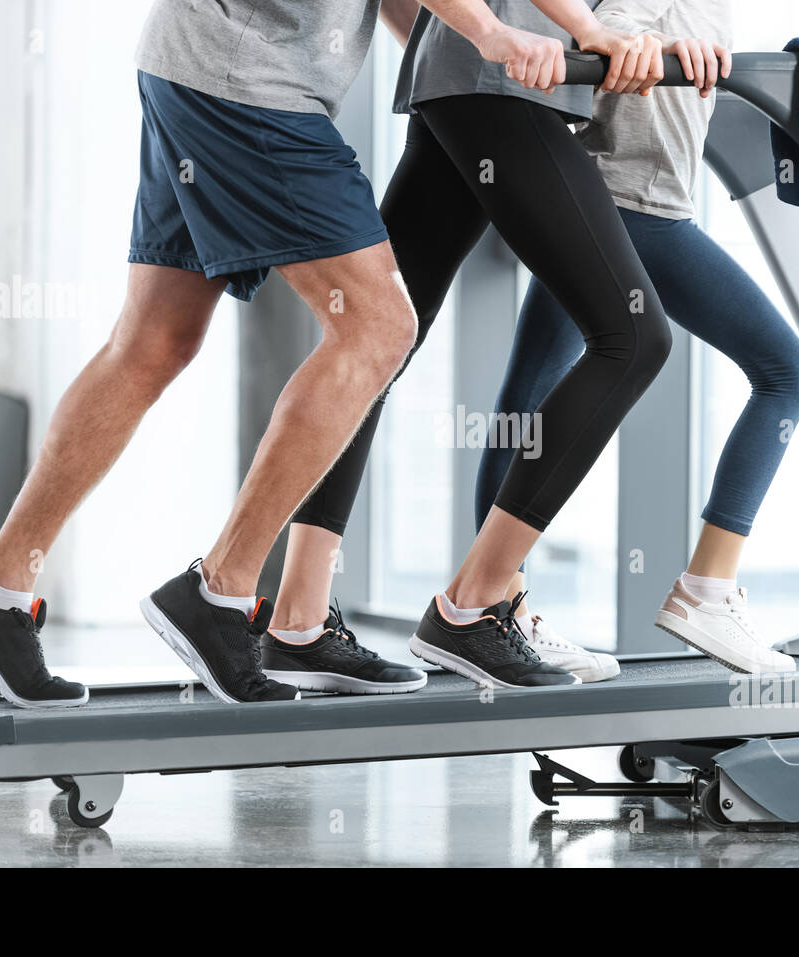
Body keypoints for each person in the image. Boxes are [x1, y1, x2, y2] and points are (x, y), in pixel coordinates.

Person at [0, 0, 596, 707]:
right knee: (378, 327)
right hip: (248, 80)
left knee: (153, 341)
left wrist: (456, 71)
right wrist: (491, 33)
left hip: (194, 63)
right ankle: (222, 590)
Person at [264, 0, 687, 690]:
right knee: (634, 338)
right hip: (505, 86)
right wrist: (579, 32)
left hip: (467, 81)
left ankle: (298, 618)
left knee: (376, 345)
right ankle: (474, 607)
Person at [476, 0, 799, 675]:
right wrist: (650, 46)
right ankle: (707, 590)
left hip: (586, 200)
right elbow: (608, 37)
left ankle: (496, 609)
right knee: (787, 372)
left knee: (527, 398)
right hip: (638, 209)